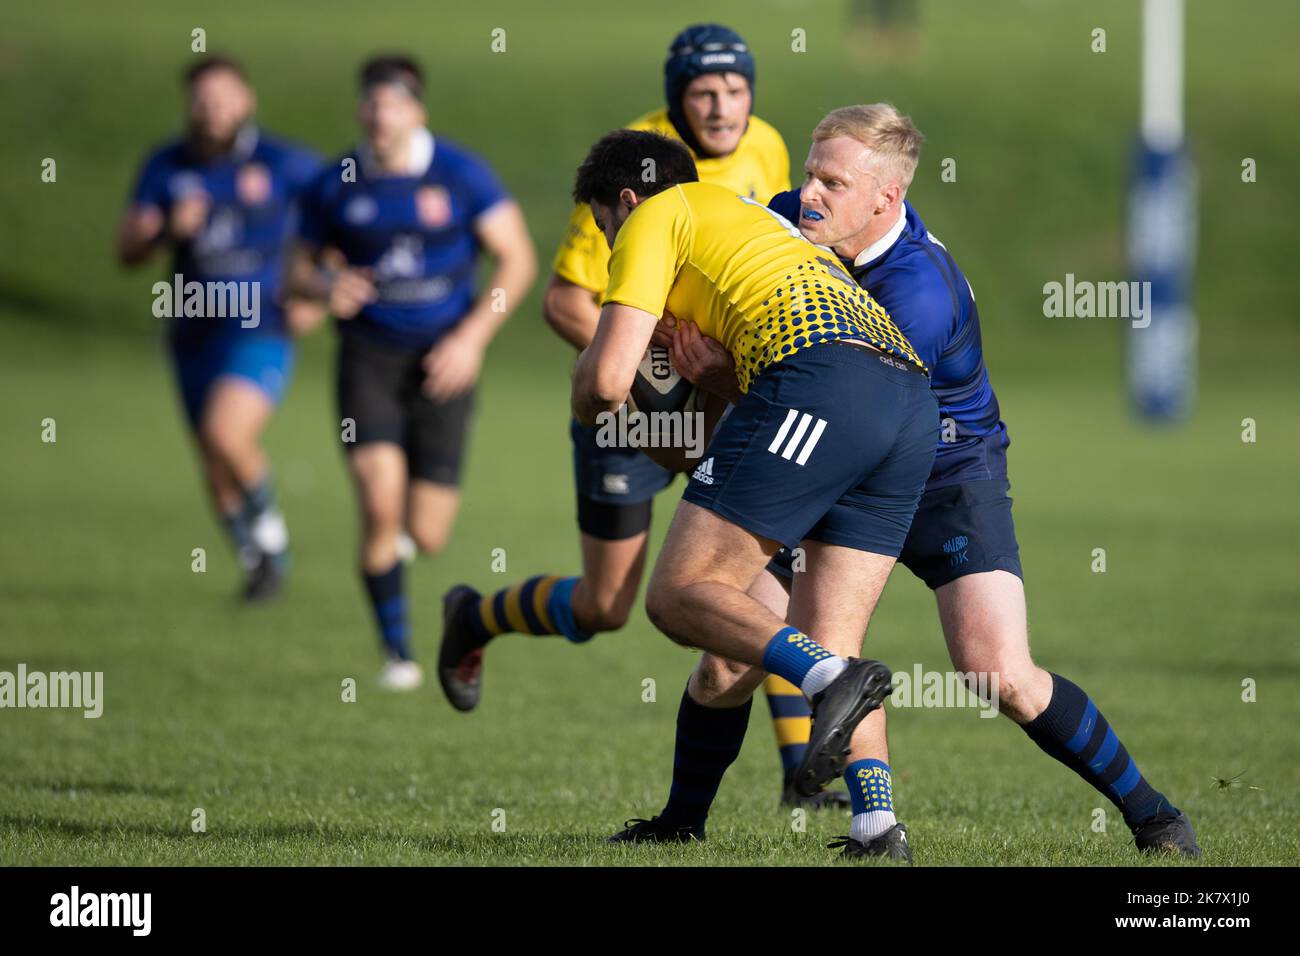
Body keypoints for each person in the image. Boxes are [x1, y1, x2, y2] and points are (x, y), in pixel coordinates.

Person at [616, 104, 1199, 861]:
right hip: (842, 451)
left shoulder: (916, 290)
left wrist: (719, 379)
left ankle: (1155, 817)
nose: (809, 194)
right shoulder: (791, 222)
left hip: (948, 471)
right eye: (810, 172)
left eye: (832, 181)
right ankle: (721, 826)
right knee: (739, 649)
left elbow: (857, 404)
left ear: (886, 200)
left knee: (998, 671)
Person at [438, 25, 839, 810]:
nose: (722, 108)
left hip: (719, 388)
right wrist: (645, 368)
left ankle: (802, 774)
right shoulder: (632, 166)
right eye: (703, 93)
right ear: (675, 98)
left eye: (734, 90)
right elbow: (562, 301)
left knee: (755, 564)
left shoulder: (767, 147)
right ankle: (474, 613)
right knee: (607, 605)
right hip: (629, 403)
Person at [292, 55, 536, 690]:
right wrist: (324, 282)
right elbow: (295, 265)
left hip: (444, 362)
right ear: (360, 110)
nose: (380, 116)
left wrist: (471, 339)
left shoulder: (459, 173)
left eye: (393, 104)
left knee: (426, 532)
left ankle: (393, 563)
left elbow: (516, 259)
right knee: (378, 499)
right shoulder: (338, 179)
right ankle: (397, 653)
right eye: (371, 104)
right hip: (367, 357)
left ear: (416, 111)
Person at [118, 54, 322, 601]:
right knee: (212, 460)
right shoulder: (166, 165)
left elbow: (339, 224)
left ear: (246, 100)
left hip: (260, 325)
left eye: (223, 99)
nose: (212, 111)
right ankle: (258, 563)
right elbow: (128, 250)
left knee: (225, 433)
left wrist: (317, 295)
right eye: (202, 102)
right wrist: (164, 229)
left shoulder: (285, 162)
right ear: (190, 106)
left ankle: (273, 541)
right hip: (192, 330)